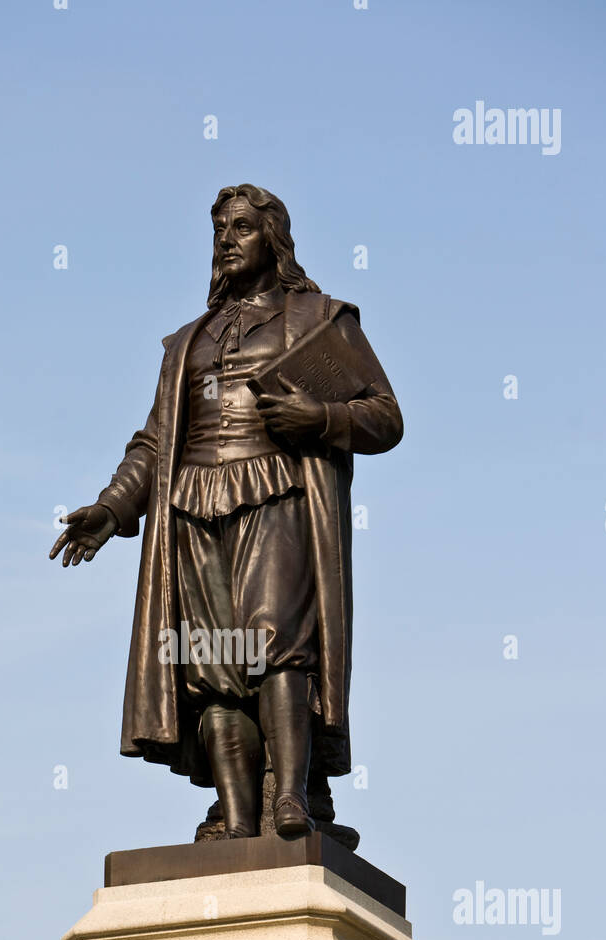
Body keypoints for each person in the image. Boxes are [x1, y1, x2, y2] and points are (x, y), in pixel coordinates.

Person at [50, 184, 403, 839]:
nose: (226, 239)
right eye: (219, 229)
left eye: (241, 227)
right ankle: (239, 821)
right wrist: (112, 507)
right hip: (190, 504)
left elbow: (385, 416)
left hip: (277, 492)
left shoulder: (323, 319)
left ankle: (291, 800)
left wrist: (320, 416)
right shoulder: (190, 341)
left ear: (272, 238)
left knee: (274, 644)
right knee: (211, 662)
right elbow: (156, 440)